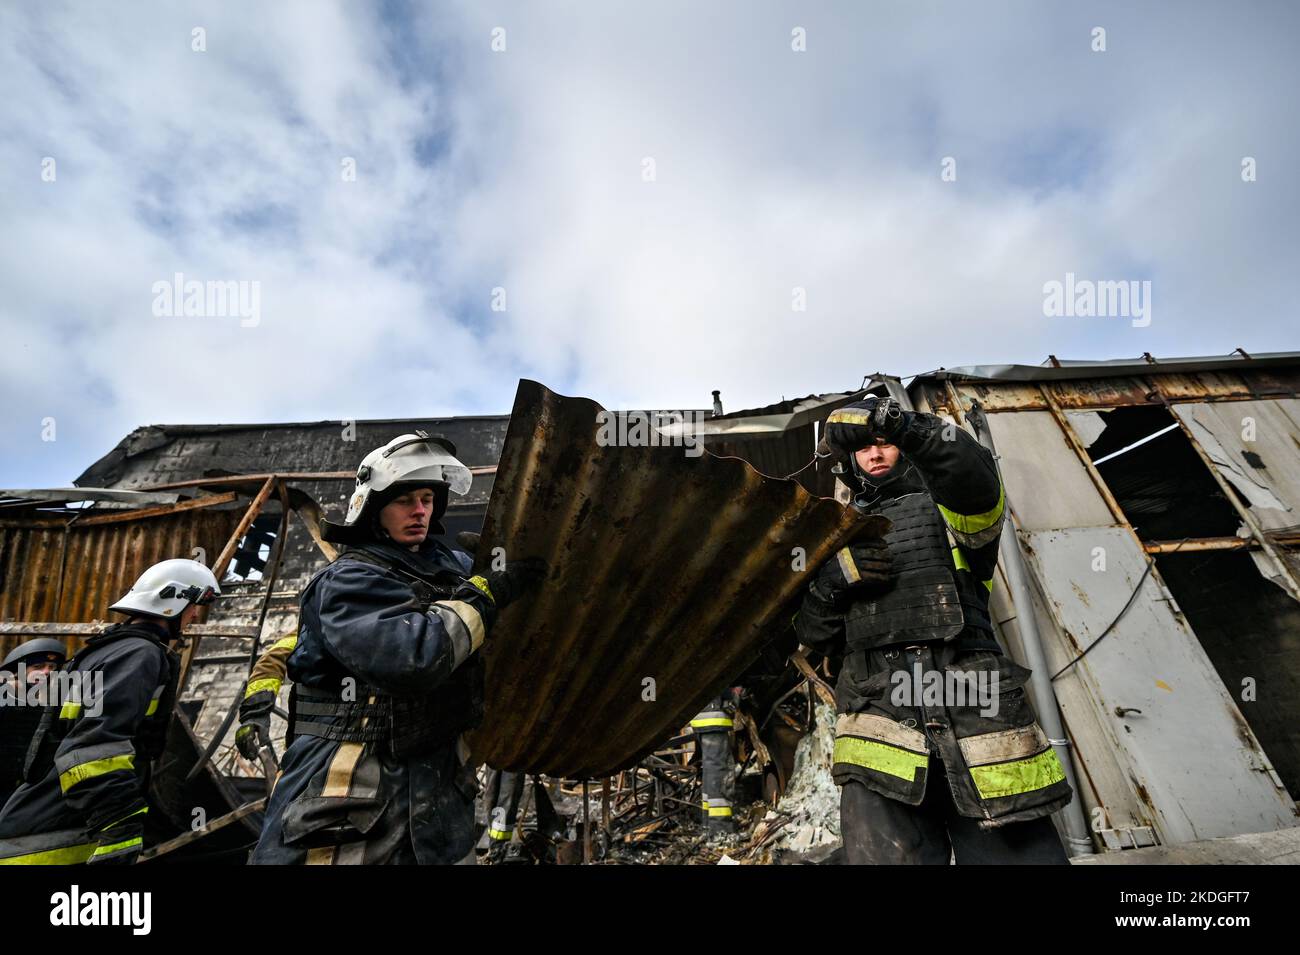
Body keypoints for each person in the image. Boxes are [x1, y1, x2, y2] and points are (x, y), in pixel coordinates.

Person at [797, 396, 1071, 864]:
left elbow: (972, 477)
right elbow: (813, 636)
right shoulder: (833, 536)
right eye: (864, 447)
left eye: (884, 443)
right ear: (850, 460)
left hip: (978, 724)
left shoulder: (954, 514)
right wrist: (830, 584)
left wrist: (902, 424)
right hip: (879, 733)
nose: (875, 452)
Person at [251, 432, 546, 864]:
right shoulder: (349, 581)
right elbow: (412, 658)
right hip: (348, 803)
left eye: (428, 498)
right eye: (405, 499)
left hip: (439, 800)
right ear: (373, 508)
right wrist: (483, 595)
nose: (420, 510)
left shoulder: (445, 573)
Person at [0, 559, 220, 865]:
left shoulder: (106, 649)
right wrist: (119, 821)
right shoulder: (139, 654)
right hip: (53, 836)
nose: (195, 614)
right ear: (172, 601)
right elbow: (92, 748)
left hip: (39, 818)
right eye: (193, 605)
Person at [0, 638, 68, 799]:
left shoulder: (58, 701)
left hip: (31, 787)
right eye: (37, 667)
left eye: (51, 667)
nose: (46, 672)